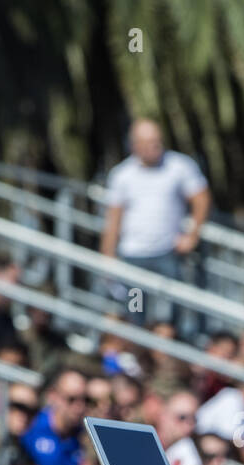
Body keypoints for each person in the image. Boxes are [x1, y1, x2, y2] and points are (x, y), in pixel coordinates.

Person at [99, 119, 211, 327]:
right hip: (133, 256)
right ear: (134, 145)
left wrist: (192, 236)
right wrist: (107, 257)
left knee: (171, 317)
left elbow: (201, 199)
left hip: (168, 253)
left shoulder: (179, 166)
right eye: (148, 142)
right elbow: (113, 220)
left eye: (157, 141)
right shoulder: (122, 175)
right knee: (135, 314)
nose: (154, 147)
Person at [22, 368, 88, 465]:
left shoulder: (86, 436)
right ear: (53, 396)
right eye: (71, 399)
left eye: (85, 399)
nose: (80, 407)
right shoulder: (29, 427)